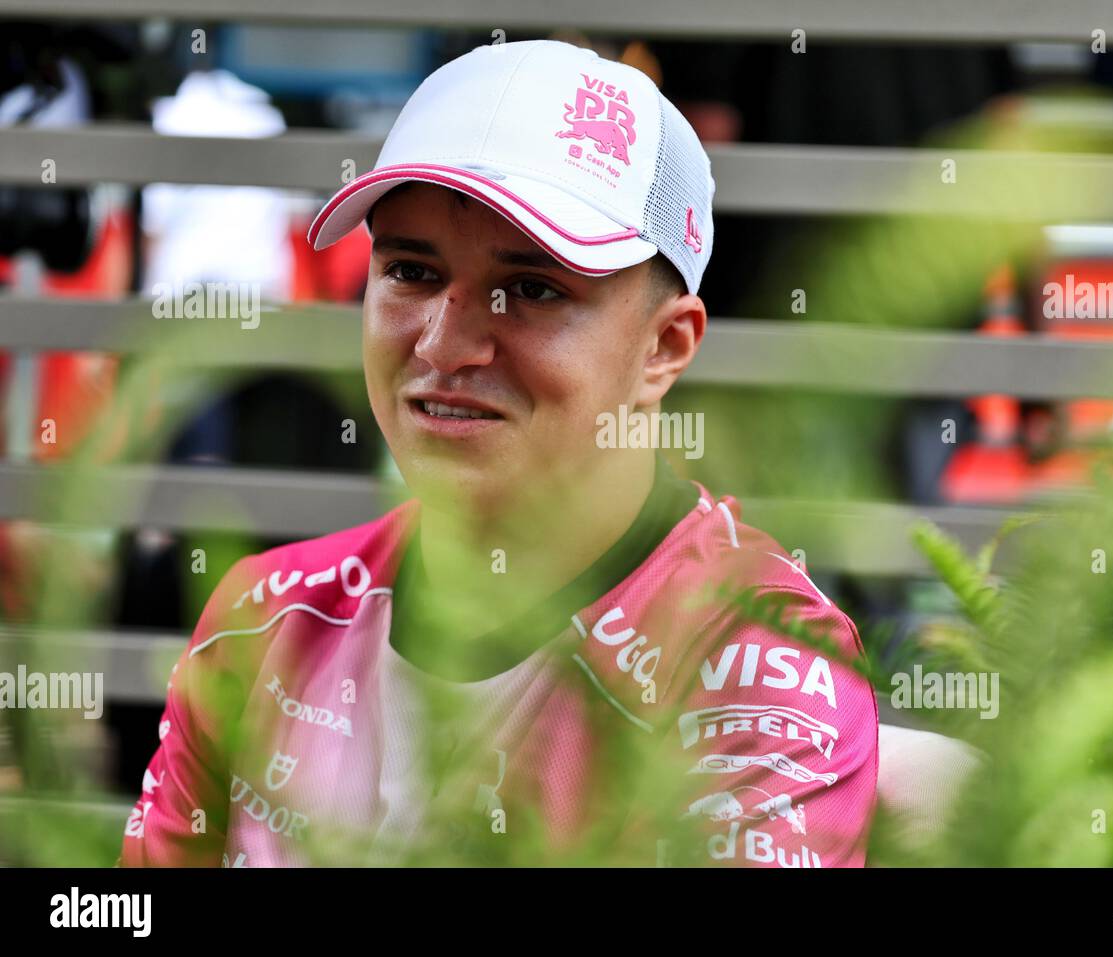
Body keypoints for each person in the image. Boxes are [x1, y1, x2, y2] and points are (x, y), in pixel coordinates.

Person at [118, 38, 878, 868]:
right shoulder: (263, 619)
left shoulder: (763, 668)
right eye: (410, 270)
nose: (445, 344)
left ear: (664, 347)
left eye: (536, 288)